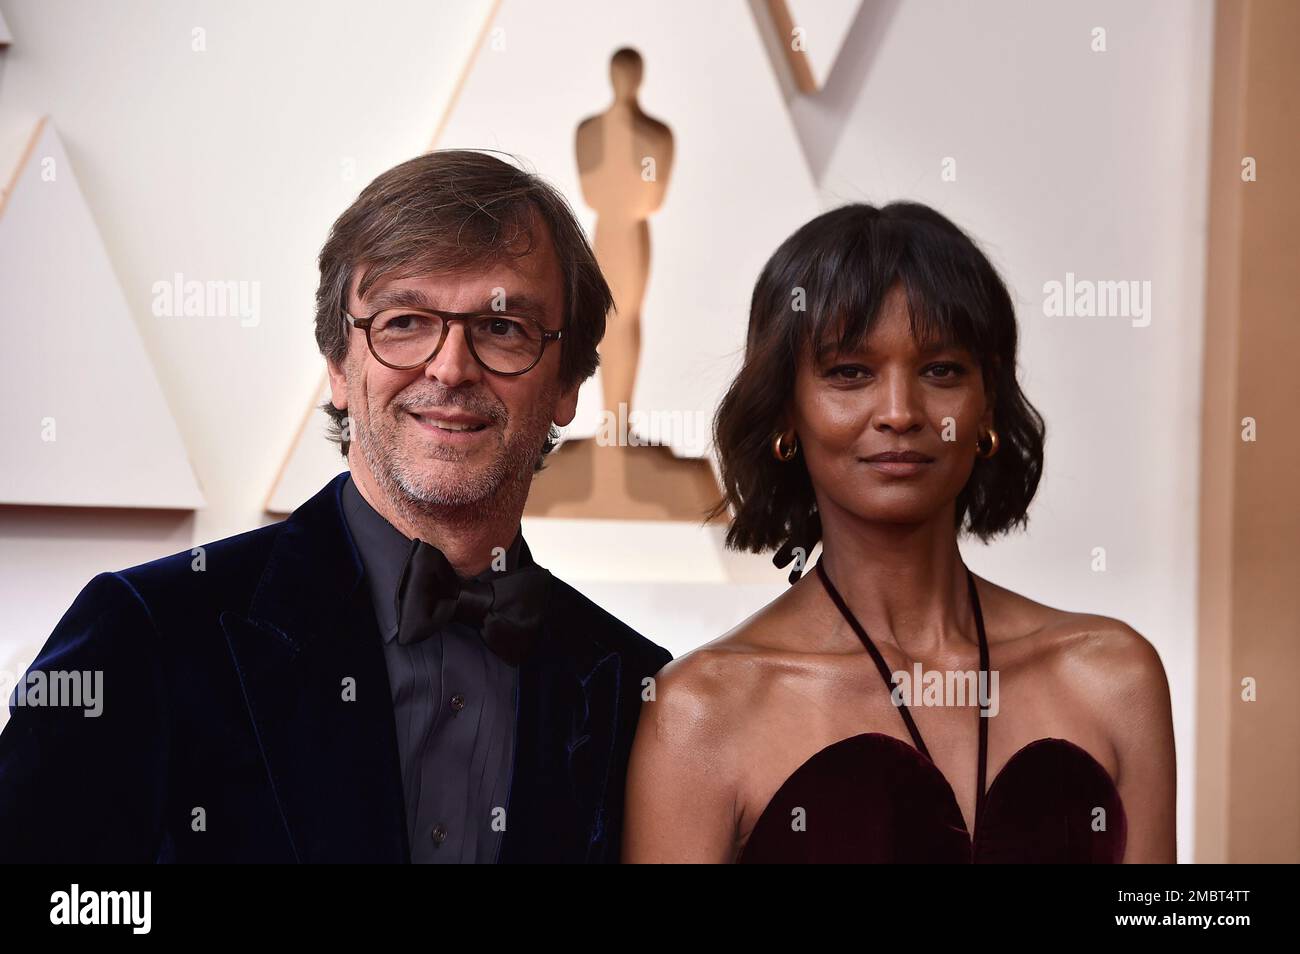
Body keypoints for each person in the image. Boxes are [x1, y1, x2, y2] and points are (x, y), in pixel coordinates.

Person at [0, 149, 671, 863]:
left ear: (567, 384)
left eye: (503, 328)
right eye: (404, 321)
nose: (449, 367)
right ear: (337, 366)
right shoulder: (147, 633)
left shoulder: (635, 688)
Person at [623, 202, 1176, 863]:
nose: (900, 412)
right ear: (785, 413)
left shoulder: (1113, 676)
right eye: (849, 372)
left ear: (988, 402)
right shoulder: (700, 712)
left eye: (940, 369)